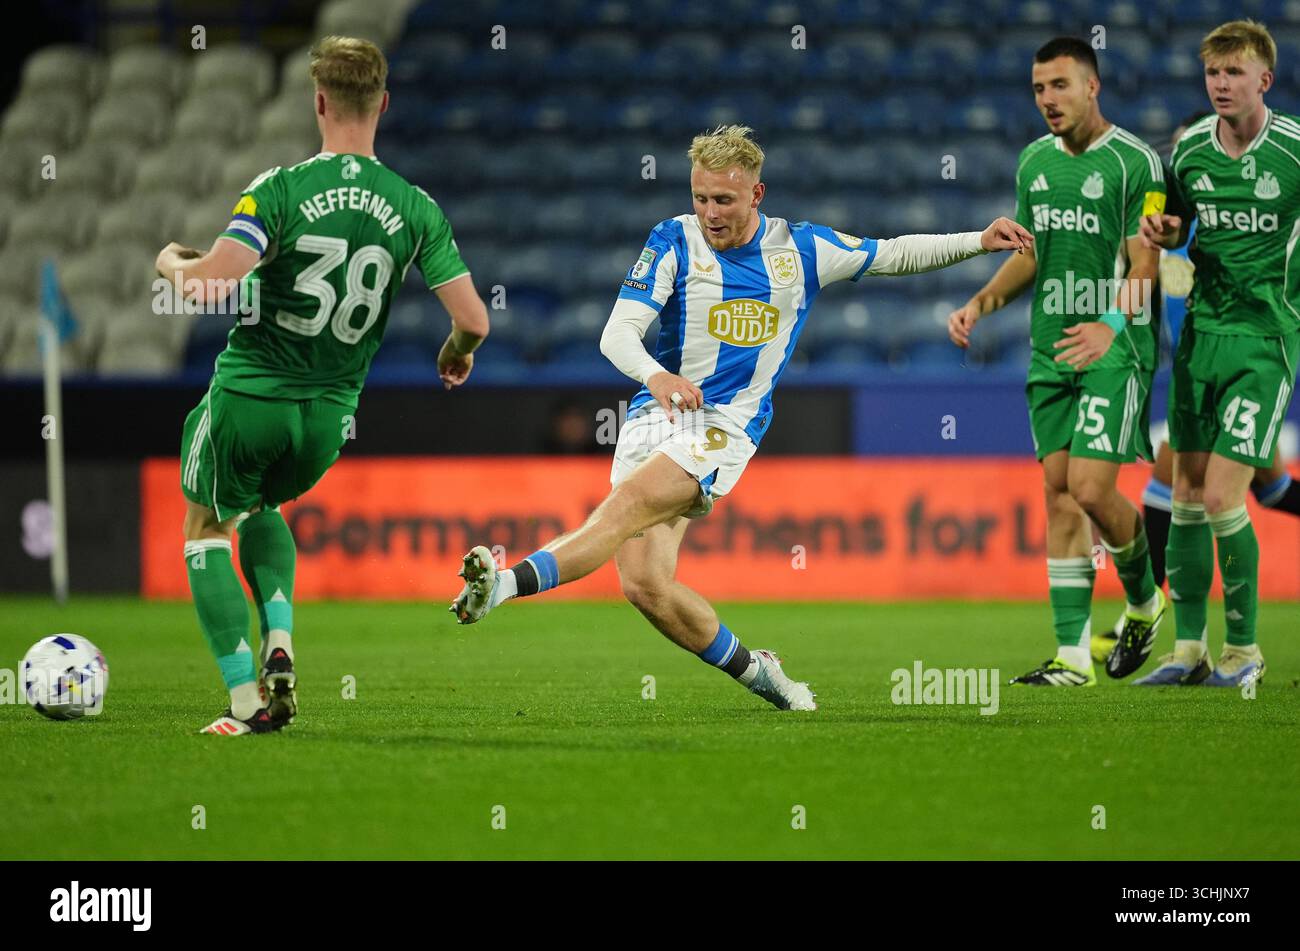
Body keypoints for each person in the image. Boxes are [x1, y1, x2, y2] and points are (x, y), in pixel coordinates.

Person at [451, 124, 1033, 711]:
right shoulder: (673, 240)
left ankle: (501, 584)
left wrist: (978, 240)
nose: (709, 212)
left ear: (756, 195)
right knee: (646, 586)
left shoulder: (801, 250)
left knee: (624, 509)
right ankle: (763, 674)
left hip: (723, 425)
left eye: (723, 200)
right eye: (700, 198)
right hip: (658, 413)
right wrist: (656, 376)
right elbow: (617, 333)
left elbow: (893, 254)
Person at [155, 36, 490, 734]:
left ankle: (245, 700)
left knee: (207, 523)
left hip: (251, 398)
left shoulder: (279, 189)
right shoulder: (415, 206)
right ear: (383, 105)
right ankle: (280, 634)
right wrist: (455, 352)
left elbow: (212, 288)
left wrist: (171, 263)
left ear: (318, 102)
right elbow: (474, 320)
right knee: (264, 503)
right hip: (329, 419)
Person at [948, 37, 1167, 686]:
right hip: (1052, 350)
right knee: (1059, 495)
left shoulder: (1137, 165)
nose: (1048, 99)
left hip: (1116, 349)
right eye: (1039, 88)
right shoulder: (1034, 163)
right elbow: (1034, 251)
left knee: (1093, 489)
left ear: (1092, 87)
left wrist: (1111, 324)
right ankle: (1071, 656)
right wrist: (982, 302)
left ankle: (1144, 602)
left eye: (1060, 85)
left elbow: (1146, 263)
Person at [1133, 19, 1298, 686]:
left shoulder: (1293, 152)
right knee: (1188, 496)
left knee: (1229, 494)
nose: (1222, 84)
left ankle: (1246, 651)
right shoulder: (1192, 146)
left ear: (1266, 79)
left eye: (1235, 72)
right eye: (1213, 73)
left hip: (1264, 343)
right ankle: (1190, 651)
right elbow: (1160, 201)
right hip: (1200, 341)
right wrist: (1161, 221)